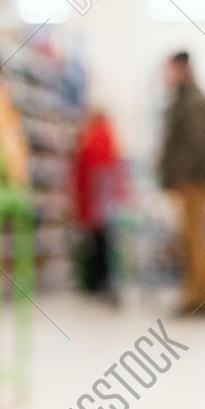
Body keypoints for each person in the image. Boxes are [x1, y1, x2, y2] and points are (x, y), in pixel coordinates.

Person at [157, 51, 205, 315]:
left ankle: (204, 298)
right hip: (188, 181)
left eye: (169, 69)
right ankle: (196, 294)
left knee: (195, 239)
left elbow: (195, 144)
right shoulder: (184, 99)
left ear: (182, 69)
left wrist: (184, 176)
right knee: (188, 239)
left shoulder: (193, 101)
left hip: (193, 182)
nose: (165, 76)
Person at [72, 109, 123, 300]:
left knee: (99, 242)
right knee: (104, 241)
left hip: (96, 201)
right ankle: (102, 281)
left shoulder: (95, 136)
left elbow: (92, 171)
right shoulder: (109, 136)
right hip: (101, 202)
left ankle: (99, 282)